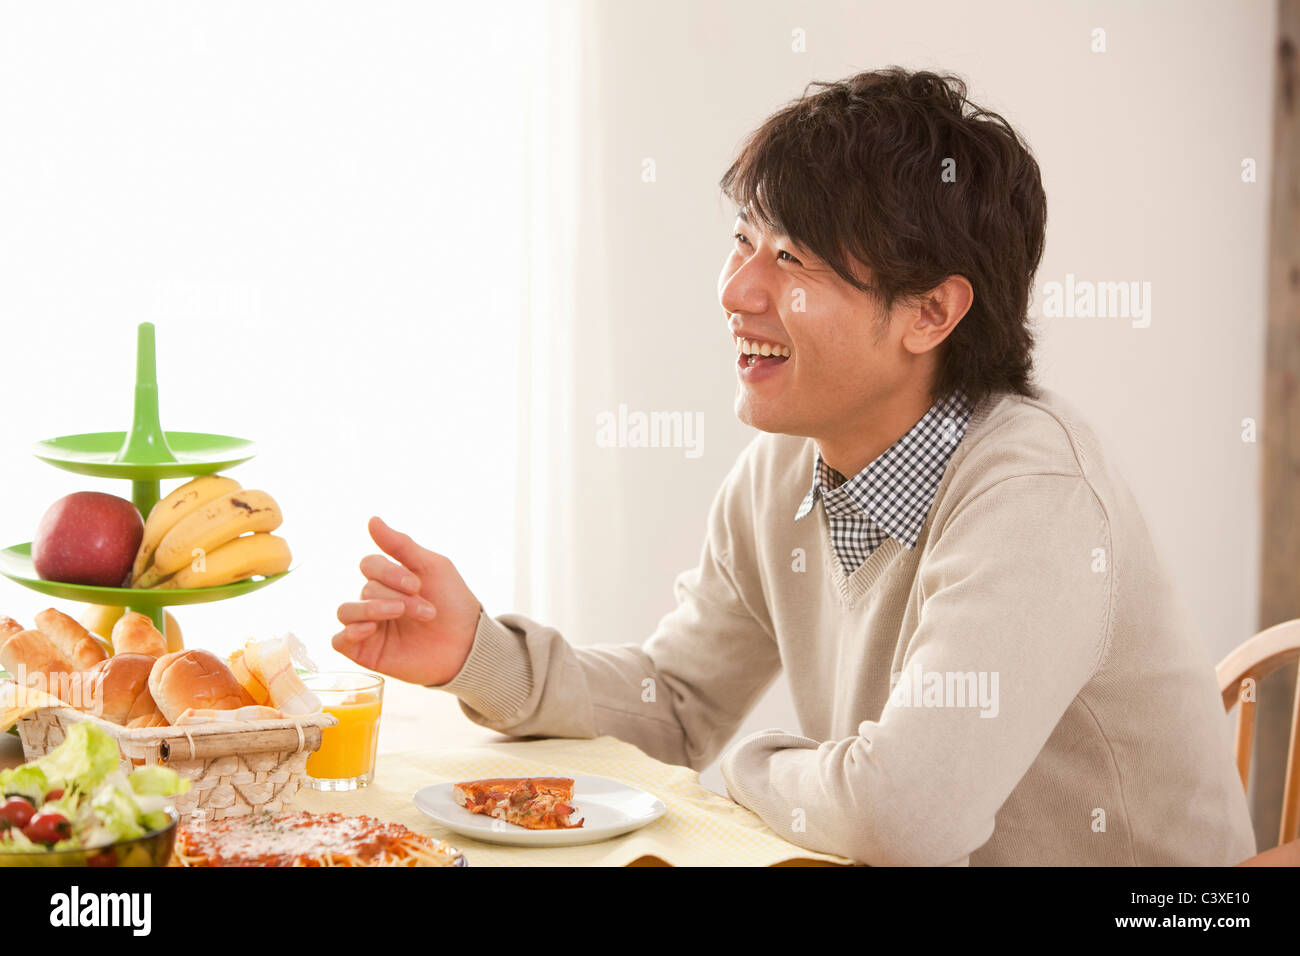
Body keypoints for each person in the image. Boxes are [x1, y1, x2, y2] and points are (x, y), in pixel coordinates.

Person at [333, 68, 1256, 866]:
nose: (738, 291)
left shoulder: (1033, 498)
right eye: (744, 239)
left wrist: (746, 771)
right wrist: (477, 655)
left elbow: (904, 816)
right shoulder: (784, 474)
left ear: (929, 313)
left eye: (793, 258)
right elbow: (680, 702)